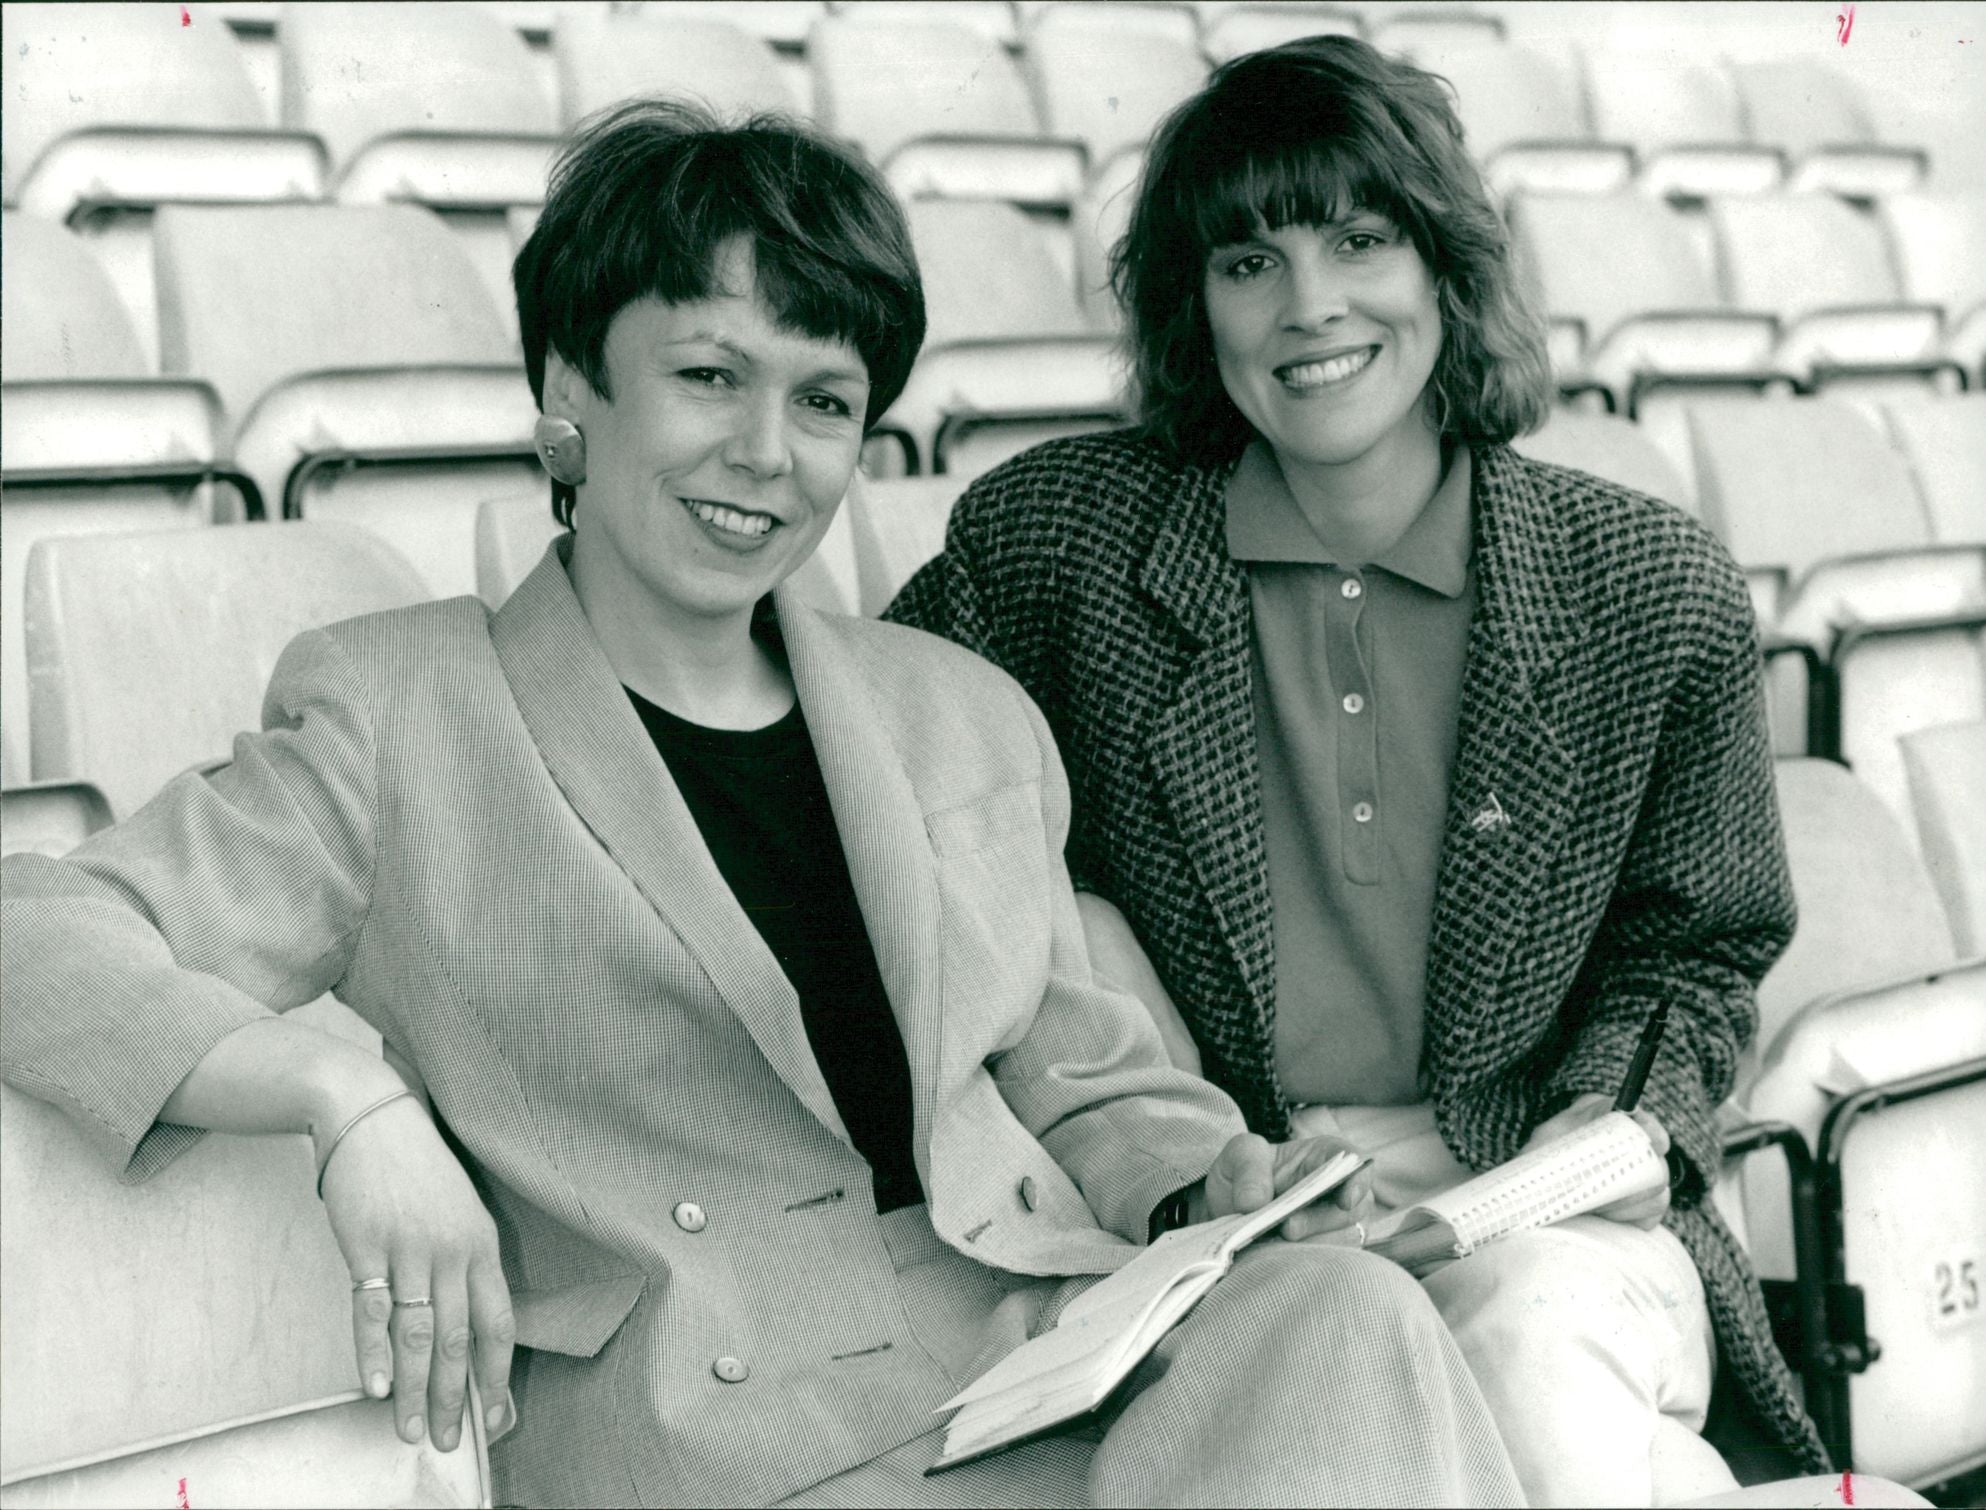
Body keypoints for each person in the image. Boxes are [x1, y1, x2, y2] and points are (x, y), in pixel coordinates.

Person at [0, 103, 1526, 1509]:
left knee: (1347, 1313)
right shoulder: (394, 714)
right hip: (722, 1437)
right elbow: (39, 927)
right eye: (710, 375)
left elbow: (1084, 1078)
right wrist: (347, 1105)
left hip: (1035, 1349)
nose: (765, 454)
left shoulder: (955, 708)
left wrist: (1219, 1176)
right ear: (571, 385)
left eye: (823, 401)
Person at [886, 35, 1831, 1508]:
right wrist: (1079, 943)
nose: (1310, 303)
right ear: (1194, 309)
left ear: (1445, 270)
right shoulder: (1051, 549)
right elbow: (885, 781)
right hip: (1218, 1206)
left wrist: (1617, 1111)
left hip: (1539, 1208)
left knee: (1521, 1357)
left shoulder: (1652, 587)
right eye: (1248, 259)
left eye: (1360, 238)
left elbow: (1698, 950)